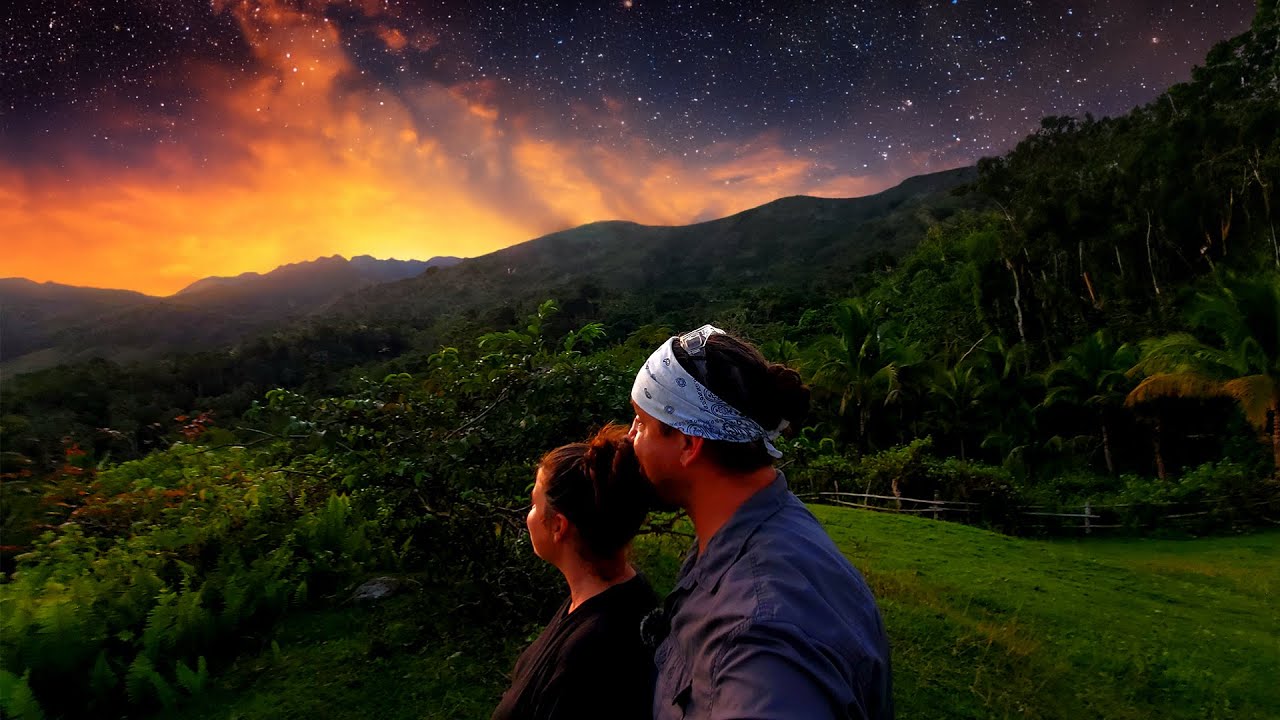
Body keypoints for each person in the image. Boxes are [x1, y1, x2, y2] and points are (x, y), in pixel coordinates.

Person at [627, 325, 893, 720]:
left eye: (642, 424)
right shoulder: (760, 530)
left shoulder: (760, 638)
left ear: (688, 444)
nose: (630, 436)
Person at [491, 424, 658, 720]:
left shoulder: (592, 652)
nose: (527, 515)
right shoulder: (611, 596)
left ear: (558, 526)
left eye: (533, 504)